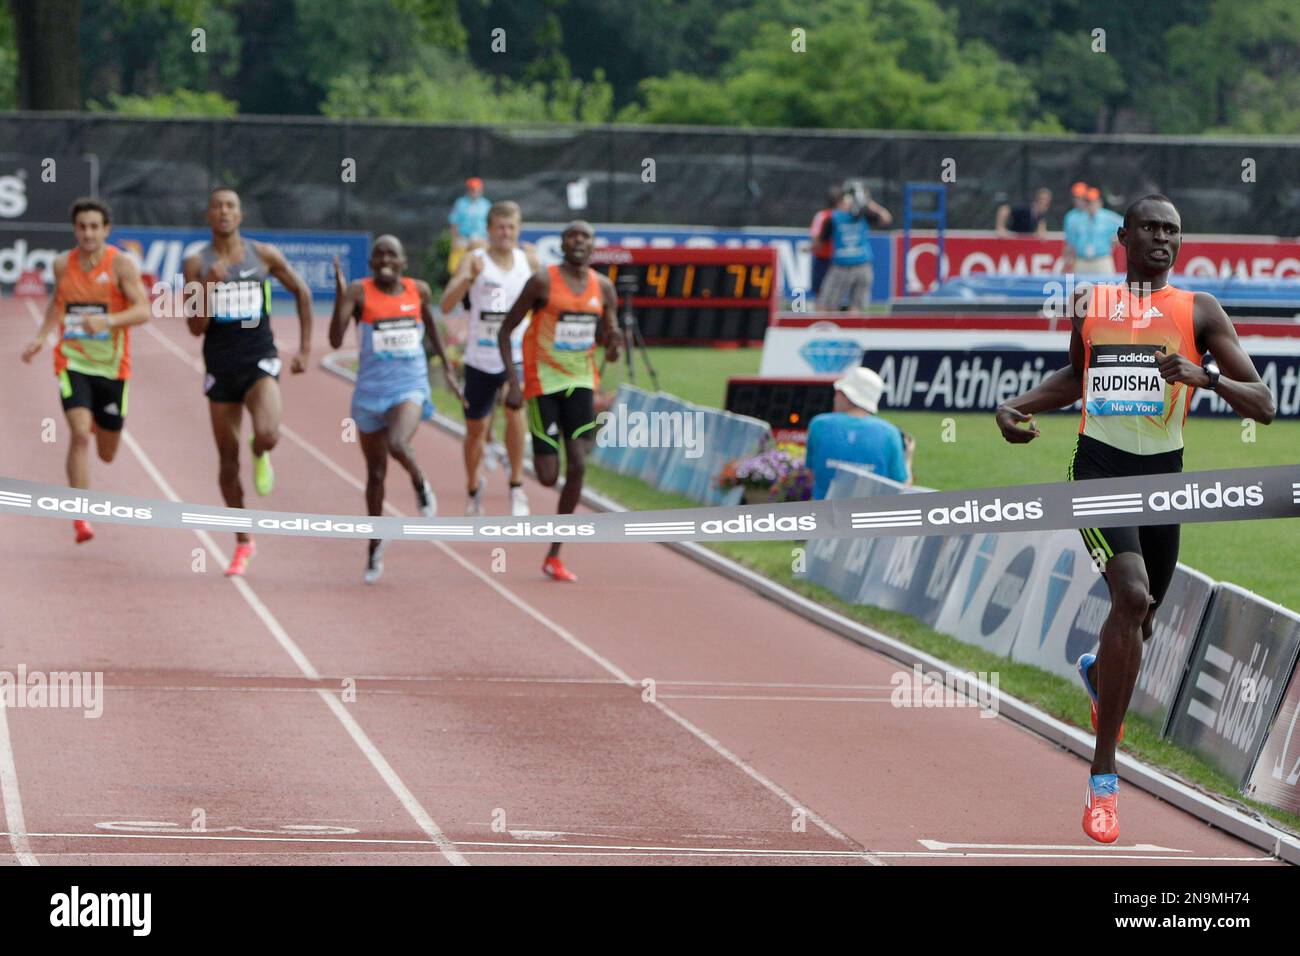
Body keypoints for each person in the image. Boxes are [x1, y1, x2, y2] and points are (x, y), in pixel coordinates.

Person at [994, 194, 1275, 845]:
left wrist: (1204, 378)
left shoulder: (1199, 311)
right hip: (1097, 472)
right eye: (1150, 227)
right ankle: (1103, 780)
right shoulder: (1091, 304)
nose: (1162, 239)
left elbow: (1263, 404)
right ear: (1122, 235)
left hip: (1162, 481)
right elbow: (1077, 373)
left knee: (1143, 621)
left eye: (1172, 231)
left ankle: (1098, 671)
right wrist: (1018, 405)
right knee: (1133, 593)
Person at [183, 187, 313, 577]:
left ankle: (261, 452)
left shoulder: (264, 255)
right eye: (217, 206)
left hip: (259, 358)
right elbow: (194, 327)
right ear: (208, 215)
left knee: (269, 433)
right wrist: (207, 284)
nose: (224, 212)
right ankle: (243, 541)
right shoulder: (195, 263)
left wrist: (305, 350)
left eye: (231, 206)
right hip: (220, 365)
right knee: (226, 461)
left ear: (240, 214)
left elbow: (303, 293)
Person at [331, 236, 461, 583]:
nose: (385, 259)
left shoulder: (417, 291)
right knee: (375, 475)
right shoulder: (359, 292)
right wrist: (341, 297)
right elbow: (333, 339)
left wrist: (447, 369)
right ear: (371, 262)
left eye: (392, 253)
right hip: (370, 392)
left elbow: (432, 330)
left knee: (398, 444)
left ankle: (420, 484)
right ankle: (375, 544)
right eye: (379, 254)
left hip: (409, 386)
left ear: (404, 261)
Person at [497, 220, 622, 582]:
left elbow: (610, 350)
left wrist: (613, 342)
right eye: (572, 236)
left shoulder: (604, 287)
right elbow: (506, 330)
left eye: (585, 236)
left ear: (593, 245)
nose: (578, 241)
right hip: (543, 383)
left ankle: (554, 553)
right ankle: (521, 451)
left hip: (582, 382)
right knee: (550, 477)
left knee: (579, 464)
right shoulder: (542, 282)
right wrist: (514, 383)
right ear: (563, 244)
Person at [20, 198, 150, 544]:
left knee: (107, 454)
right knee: (79, 434)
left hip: (112, 367)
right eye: (82, 226)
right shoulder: (63, 264)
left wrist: (107, 320)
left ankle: (96, 418)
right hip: (72, 361)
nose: (88, 233)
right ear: (75, 229)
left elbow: (143, 311)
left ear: (106, 230)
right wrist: (40, 337)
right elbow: (57, 302)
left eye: (95, 226)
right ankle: (81, 514)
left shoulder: (121, 265)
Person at [440, 201, 537, 517]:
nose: (505, 233)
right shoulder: (475, 260)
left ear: (518, 229)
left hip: (516, 356)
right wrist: (468, 278)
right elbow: (445, 304)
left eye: (511, 227)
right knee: (476, 431)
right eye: (499, 227)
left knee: (515, 410)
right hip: (480, 358)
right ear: (489, 229)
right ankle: (472, 487)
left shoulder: (529, 261)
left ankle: (516, 485)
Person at [805, 367, 913, 499]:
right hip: (868, 516)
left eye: (838, 392)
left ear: (846, 395)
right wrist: (907, 458)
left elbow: (811, 476)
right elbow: (901, 488)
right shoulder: (890, 433)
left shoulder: (819, 425)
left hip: (823, 514)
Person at [816, 180, 892, 312]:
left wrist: (868, 203)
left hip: (850, 266)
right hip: (852, 266)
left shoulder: (839, 217)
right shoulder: (847, 216)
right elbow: (886, 218)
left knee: (837, 307)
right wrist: (867, 202)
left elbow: (886, 219)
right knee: (840, 308)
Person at [1063, 186, 1123, 274]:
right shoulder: (1077, 219)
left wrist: (1119, 237)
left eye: (1093, 202)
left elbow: (1126, 225)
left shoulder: (1108, 217)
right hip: (1082, 260)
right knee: (1081, 287)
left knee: (1106, 286)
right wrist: (1068, 260)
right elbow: (1070, 241)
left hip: (1102, 260)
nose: (1090, 205)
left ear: (1099, 202)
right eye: (1088, 202)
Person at [447, 177, 491, 275]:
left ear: (481, 190)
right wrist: (454, 239)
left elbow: (490, 223)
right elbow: (454, 222)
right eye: (472, 189)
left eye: (476, 189)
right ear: (468, 190)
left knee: (481, 266)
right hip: (463, 238)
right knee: (458, 267)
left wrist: (488, 240)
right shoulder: (460, 203)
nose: (474, 191)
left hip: (480, 239)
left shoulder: (486, 204)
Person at [809, 185, 843, 300]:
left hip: (825, 260)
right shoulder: (845, 217)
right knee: (835, 296)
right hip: (836, 260)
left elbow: (816, 240)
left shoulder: (822, 216)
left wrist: (809, 248)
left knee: (821, 295)